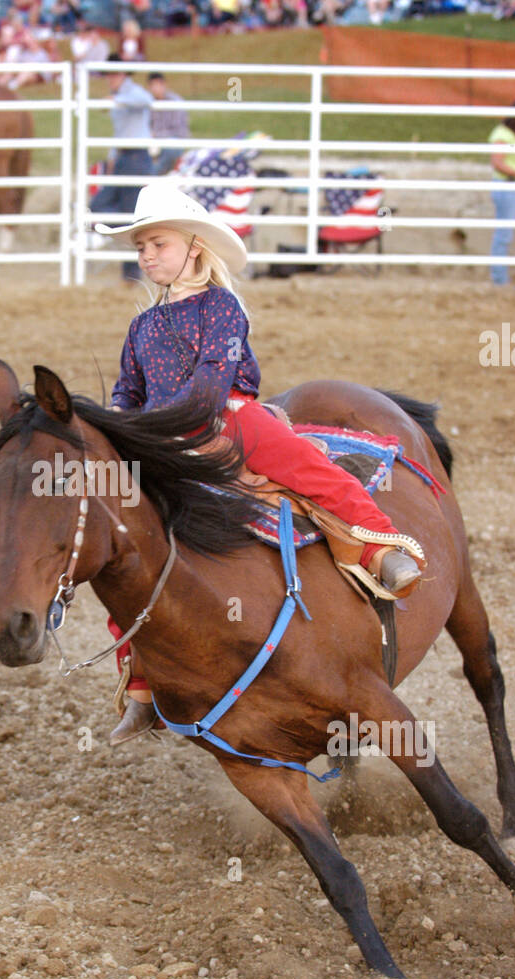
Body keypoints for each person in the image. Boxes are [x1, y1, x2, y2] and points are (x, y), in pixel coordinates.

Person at [94, 183, 425, 743]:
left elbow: (212, 378)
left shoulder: (220, 307)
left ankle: (379, 543)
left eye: (158, 243)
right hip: (160, 438)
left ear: (195, 247)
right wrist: (118, 434)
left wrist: (171, 429)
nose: (147, 255)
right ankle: (142, 683)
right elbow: (127, 393)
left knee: (307, 467)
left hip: (227, 418)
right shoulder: (141, 326)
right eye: (141, 246)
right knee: (128, 547)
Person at [89, 54, 153, 281]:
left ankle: (132, 273)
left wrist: (117, 101)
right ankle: (132, 249)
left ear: (123, 74)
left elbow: (146, 99)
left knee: (127, 214)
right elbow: (120, 131)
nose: (110, 79)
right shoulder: (120, 97)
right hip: (124, 159)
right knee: (98, 205)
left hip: (136, 159)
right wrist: (112, 158)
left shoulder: (131, 93)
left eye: (114, 74)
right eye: (109, 74)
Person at [488, 100, 515, 286]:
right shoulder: (503, 133)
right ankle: (500, 280)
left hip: (512, 184)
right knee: (504, 234)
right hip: (507, 185)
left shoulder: (512, 133)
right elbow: (498, 162)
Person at [147, 72, 189, 174]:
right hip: (152, 142)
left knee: (170, 150)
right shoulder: (148, 103)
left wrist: (156, 135)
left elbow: (178, 132)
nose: (156, 88)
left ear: (164, 85)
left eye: (158, 85)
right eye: (153, 85)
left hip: (172, 141)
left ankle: (151, 177)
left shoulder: (175, 102)